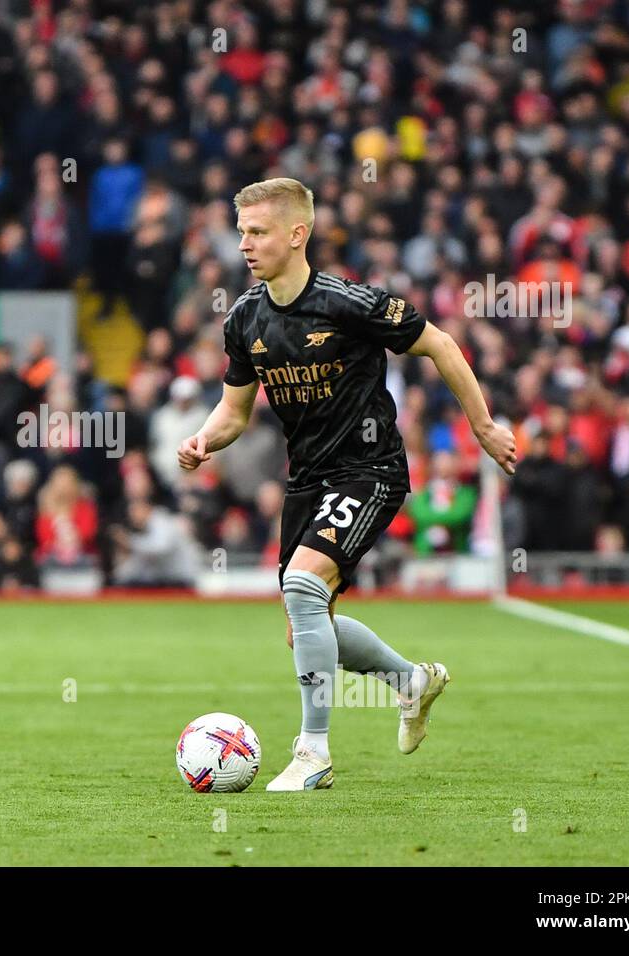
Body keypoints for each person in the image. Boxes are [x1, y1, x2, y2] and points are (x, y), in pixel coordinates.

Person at [177, 178, 516, 791]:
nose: (245, 244)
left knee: (305, 585)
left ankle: (313, 755)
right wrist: (204, 440)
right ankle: (409, 681)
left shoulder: (349, 304)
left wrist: (484, 428)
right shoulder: (244, 318)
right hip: (307, 480)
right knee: (306, 624)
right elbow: (233, 413)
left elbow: (440, 344)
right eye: (242, 231)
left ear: (297, 234)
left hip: (371, 469)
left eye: (258, 232)